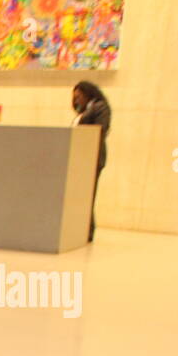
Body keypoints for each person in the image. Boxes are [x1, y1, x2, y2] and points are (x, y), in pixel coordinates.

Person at [72, 81, 110, 243]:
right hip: (80, 157)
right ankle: (79, 229)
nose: (76, 100)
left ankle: (88, 231)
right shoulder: (85, 110)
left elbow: (100, 129)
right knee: (80, 196)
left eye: (78, 96)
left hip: (93, 158)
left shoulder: (100, 107)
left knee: (88, 196)